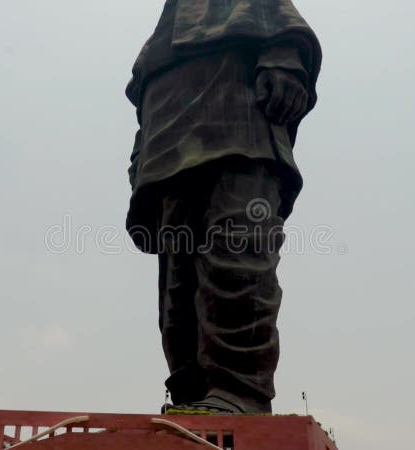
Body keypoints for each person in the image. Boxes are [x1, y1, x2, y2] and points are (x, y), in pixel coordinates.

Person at [125, 0, 322, 414]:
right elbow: (146, 82)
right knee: (177, 281)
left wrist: (283, 56)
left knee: (237, 254)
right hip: (169, 124)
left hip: (237, 113)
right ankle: (192, 392)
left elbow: (278, 20)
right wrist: (141, 149)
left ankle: (238, 389)